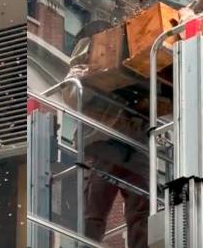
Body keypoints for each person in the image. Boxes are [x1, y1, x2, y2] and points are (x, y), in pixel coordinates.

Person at [63, 22, 149, 248]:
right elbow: (72, 93)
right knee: (93, 212)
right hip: (101, 142)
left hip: (135, 142)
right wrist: (94, 74)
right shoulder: (83, 61)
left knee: (143, 209)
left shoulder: (131, 54)